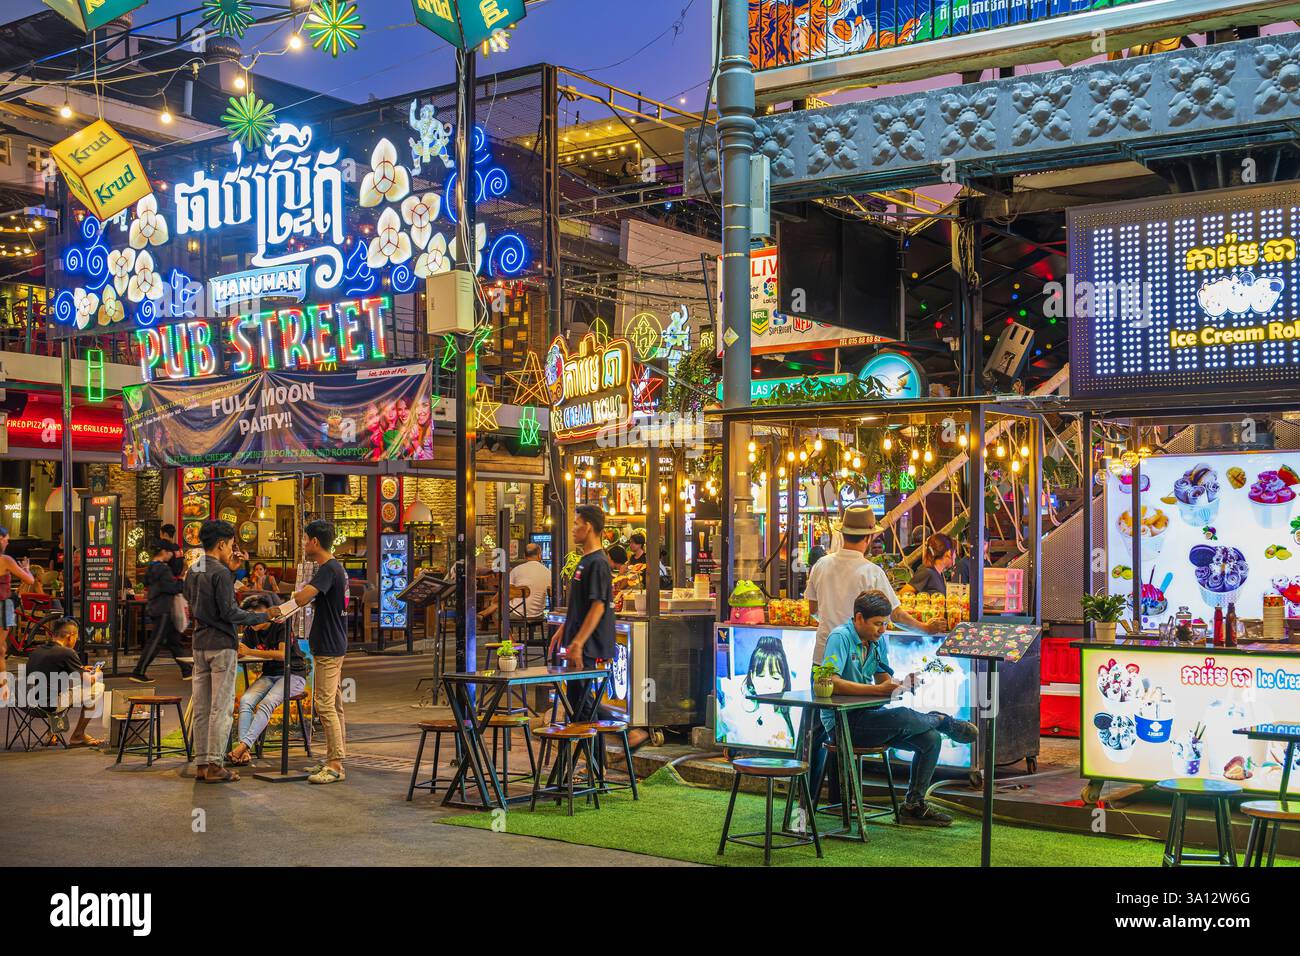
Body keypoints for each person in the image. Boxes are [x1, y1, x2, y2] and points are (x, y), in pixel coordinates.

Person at [820, 590, 978, 826]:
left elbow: (883, 681)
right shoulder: (839, 637)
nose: (882, 629)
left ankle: (913, 806)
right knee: (904, 715)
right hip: (842, 724)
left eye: (885, 623)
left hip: (870, 718)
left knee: (931, 739)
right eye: (877, 624)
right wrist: (880, 690)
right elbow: (830, 682)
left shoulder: (877, 641)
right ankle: (942, 720)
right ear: (859, 618)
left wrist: (901, 684)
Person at [185, 519, 274, 783]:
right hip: (222, 645)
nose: (232, 549)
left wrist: (230, 569)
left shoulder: (195, 568)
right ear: (222, 543)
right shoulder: (220, 573)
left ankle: (202, 764)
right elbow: (229, 612)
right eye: (231, 544)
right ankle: (215, 765)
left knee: (201, 706)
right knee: (221, 708)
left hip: (199, 642)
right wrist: (263, 616)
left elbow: (191, 600)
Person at [804, 504, 944, 660]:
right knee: (852, 686)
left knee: (822, 685)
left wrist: (832, 620)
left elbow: (813, 609)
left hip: (823, 656)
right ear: (868, 537)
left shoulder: (820, 565)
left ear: (843, 534)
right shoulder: (871, 572)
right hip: (853, 660)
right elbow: (896, 615)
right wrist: (926, 628)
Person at [287, 519, 349, 785]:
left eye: (304, 539)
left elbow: (302, 599)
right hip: (334, 643)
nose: (303, 543)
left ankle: (335, 764)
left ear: (314, 542)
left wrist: (280, 608)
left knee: (324, 704)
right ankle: (336, 759)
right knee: (334, 704)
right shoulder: (336, 568)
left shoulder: (328, 569)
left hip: (328, 646)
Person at [550, 504, 616, 721]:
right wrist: (564, 627)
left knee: (584, 704)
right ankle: (596, 752)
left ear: (588, 527)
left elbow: (598, 606)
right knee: (579, 701)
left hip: (588, 645)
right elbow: (581, 605)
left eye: (576, 524)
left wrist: (578, 643)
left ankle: (620, 738)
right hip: (577, 640)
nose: (573, 529)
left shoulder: (598, 563)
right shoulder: (584, 561)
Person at [226, 594, 308, 767]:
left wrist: (250, 651)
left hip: (293, 674)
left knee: (266, 703)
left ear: (265, 612)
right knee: (246, 701)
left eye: (255, 616)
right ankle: (245, 752)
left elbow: (281, 655)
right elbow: (242, 651)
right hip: (270, 675)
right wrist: (238, 651)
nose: (252, 621)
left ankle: (242, 747)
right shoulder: (251, 630)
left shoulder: (281, 625)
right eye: (249, 618)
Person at [23, 618, 104, 747]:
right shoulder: (66, 652)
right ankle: (78, 735)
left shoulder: (37, 650)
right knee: (97, 687)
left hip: (26, 704)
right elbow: (89, 681)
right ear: (70, 636)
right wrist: (97, 673)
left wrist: (81, 669)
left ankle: (52, 734)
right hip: (47, 706)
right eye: (76, 638)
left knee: (58, 687)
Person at [130, 541, 192, 683]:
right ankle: (138, 672)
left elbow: (147, 583)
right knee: (156, 641)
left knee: (174, 641)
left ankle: (187, 671)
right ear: (164, 552)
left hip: (156, 606)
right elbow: (172, 588)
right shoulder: (163, 570)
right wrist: (182, 581)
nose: (171, 556)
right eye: (170, 553)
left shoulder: (151, 568)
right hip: (163, 608)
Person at [0, 526, 35, 654]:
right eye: (6, 539)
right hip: (2, 605)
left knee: (2, 648)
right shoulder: (5, 560)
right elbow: (30, 580)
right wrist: (26, 569)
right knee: (0, 649)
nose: (8, 543)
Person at [906, 532, 956, 597]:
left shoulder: (938, 573)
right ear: (948, 553)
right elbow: (903, 594)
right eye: (955, 552)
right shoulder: (927, 572)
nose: (955, 556)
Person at [509, 542, 551, 619]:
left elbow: (507, 591)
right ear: (539, 555)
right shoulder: (548, 572)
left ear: (524, 556)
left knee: (497, 610)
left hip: (517, 614)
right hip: (538, 615)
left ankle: (509, 631)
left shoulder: (516, 570)